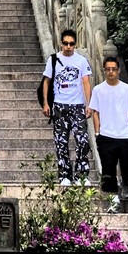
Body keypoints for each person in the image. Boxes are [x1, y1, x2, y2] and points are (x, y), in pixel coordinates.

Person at [42, 30, 92, 185]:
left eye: (71, 44)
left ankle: (81, 175)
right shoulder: (54, 60)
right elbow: (46, 82)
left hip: (77, 106)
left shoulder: (81, 61)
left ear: (75, 44)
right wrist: (45, 103)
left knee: (82, 141)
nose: (68, 46)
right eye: (65, 43)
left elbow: (86, 82)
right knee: (61, 142)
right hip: (59, 106)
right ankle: (65, 175)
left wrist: (88, 104)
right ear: (61, 43)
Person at [90, 56, 128, 210]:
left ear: (118, 70)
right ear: (104, 70)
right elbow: (95, 113)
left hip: (125, 134)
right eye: (108, 69)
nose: (111, 72)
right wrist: (98, 133)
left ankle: (126, 183)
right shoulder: (98, 90)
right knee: (108, 169)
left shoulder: (127, 89)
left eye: (114, 69)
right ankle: (113, 200)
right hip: (106, 135)